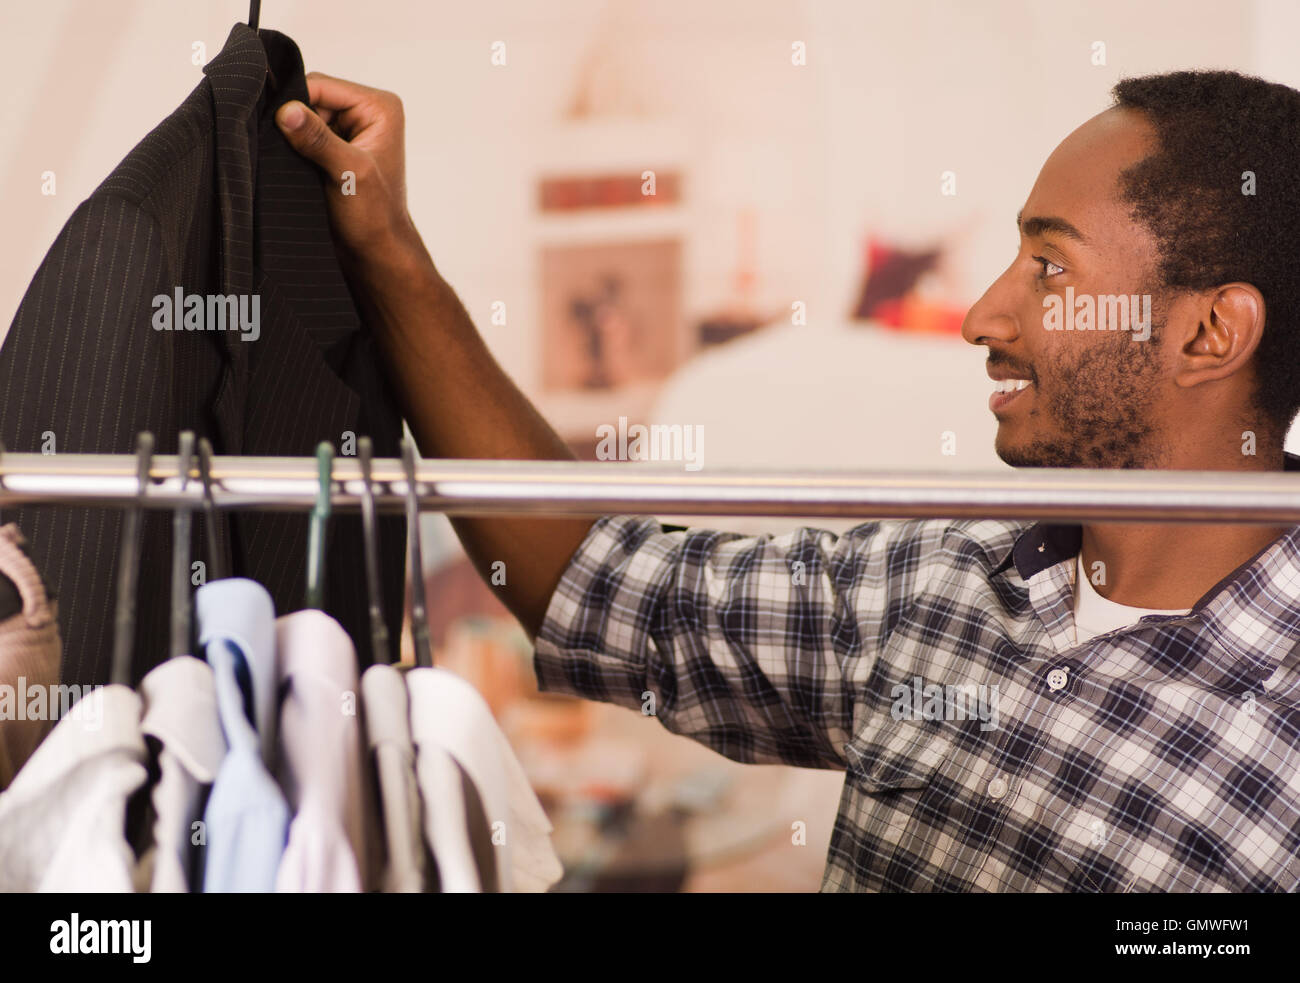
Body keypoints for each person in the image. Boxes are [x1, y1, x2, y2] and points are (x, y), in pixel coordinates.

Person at [274, 69, 1300, 892]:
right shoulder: (942, 577)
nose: (983, 316)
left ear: (1208, 331)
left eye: (1049, 268)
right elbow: (603, 587)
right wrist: (386, 249)